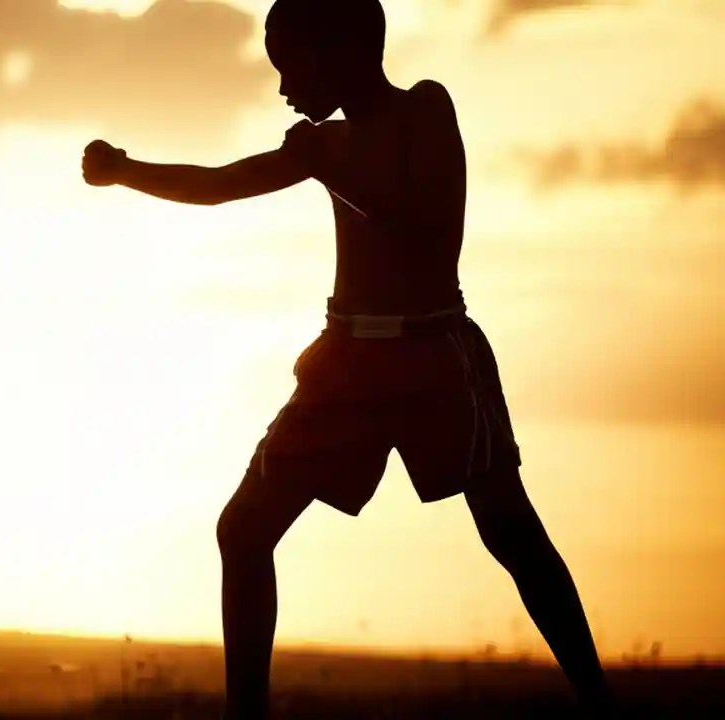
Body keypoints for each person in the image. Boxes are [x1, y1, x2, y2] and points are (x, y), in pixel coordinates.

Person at [80, 1, 614, 717]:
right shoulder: (324, 145)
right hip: (343, 366)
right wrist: (125, 170)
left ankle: (600, 702)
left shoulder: (424, 110)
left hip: (436, 356)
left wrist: (331, 168)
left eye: (290, 65)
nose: (283, 88)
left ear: (346, 49)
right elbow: (215, 185)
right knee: (242, 531)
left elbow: (424, 223)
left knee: (511, 531)